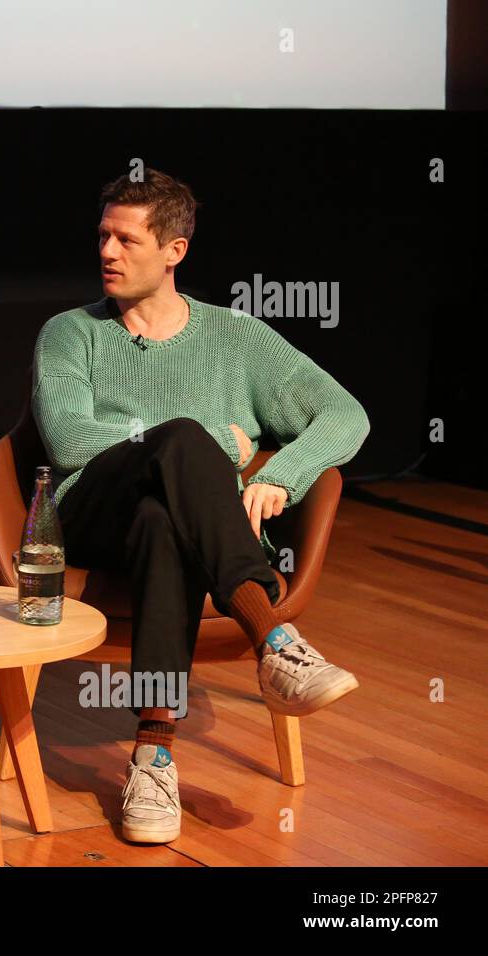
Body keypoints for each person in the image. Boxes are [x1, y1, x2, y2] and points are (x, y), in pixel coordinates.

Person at [32, 168, 368, 844]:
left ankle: (153, 758)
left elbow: (344, 413)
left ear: (174, 251)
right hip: (94, 511)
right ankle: (273, 639)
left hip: (175, 529)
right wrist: (219, 442)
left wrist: (289, 472)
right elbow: (70, 440)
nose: (107, 252)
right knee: (184, 438)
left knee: (166, 523)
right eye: (103, 236)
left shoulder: (237, 338)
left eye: (126, 240)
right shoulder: (72, 333)